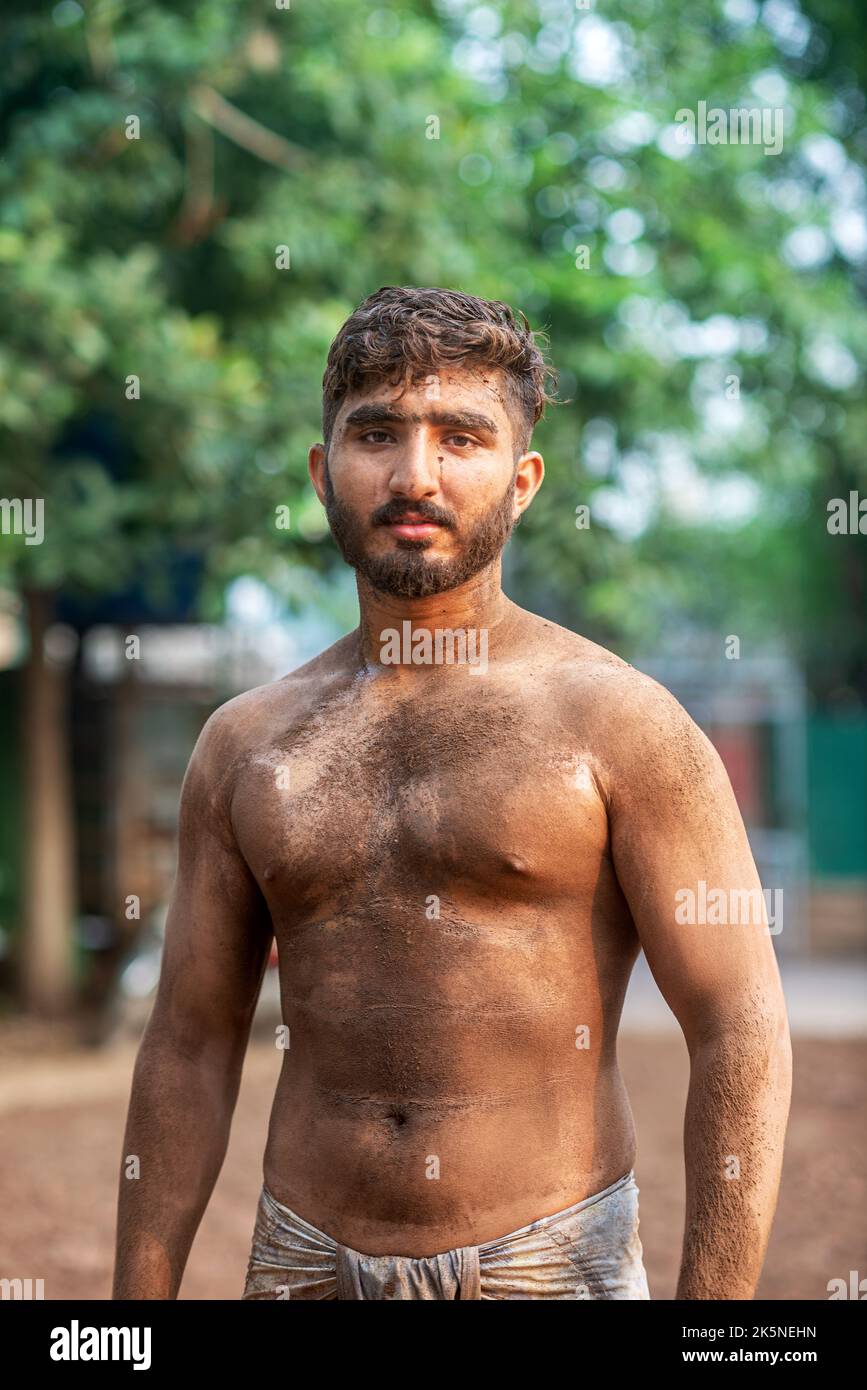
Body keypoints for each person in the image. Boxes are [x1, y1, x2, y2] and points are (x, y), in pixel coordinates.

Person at [112, 286, 791, 1300]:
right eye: (375, 433)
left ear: (522, 482)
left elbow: (740, 1024)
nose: (414, 474)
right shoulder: (246, 743)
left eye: (460, 438)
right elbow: (188, 1044)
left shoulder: (620, 722)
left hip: (546, 1262)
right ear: (323, 469)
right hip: (301, 1262)